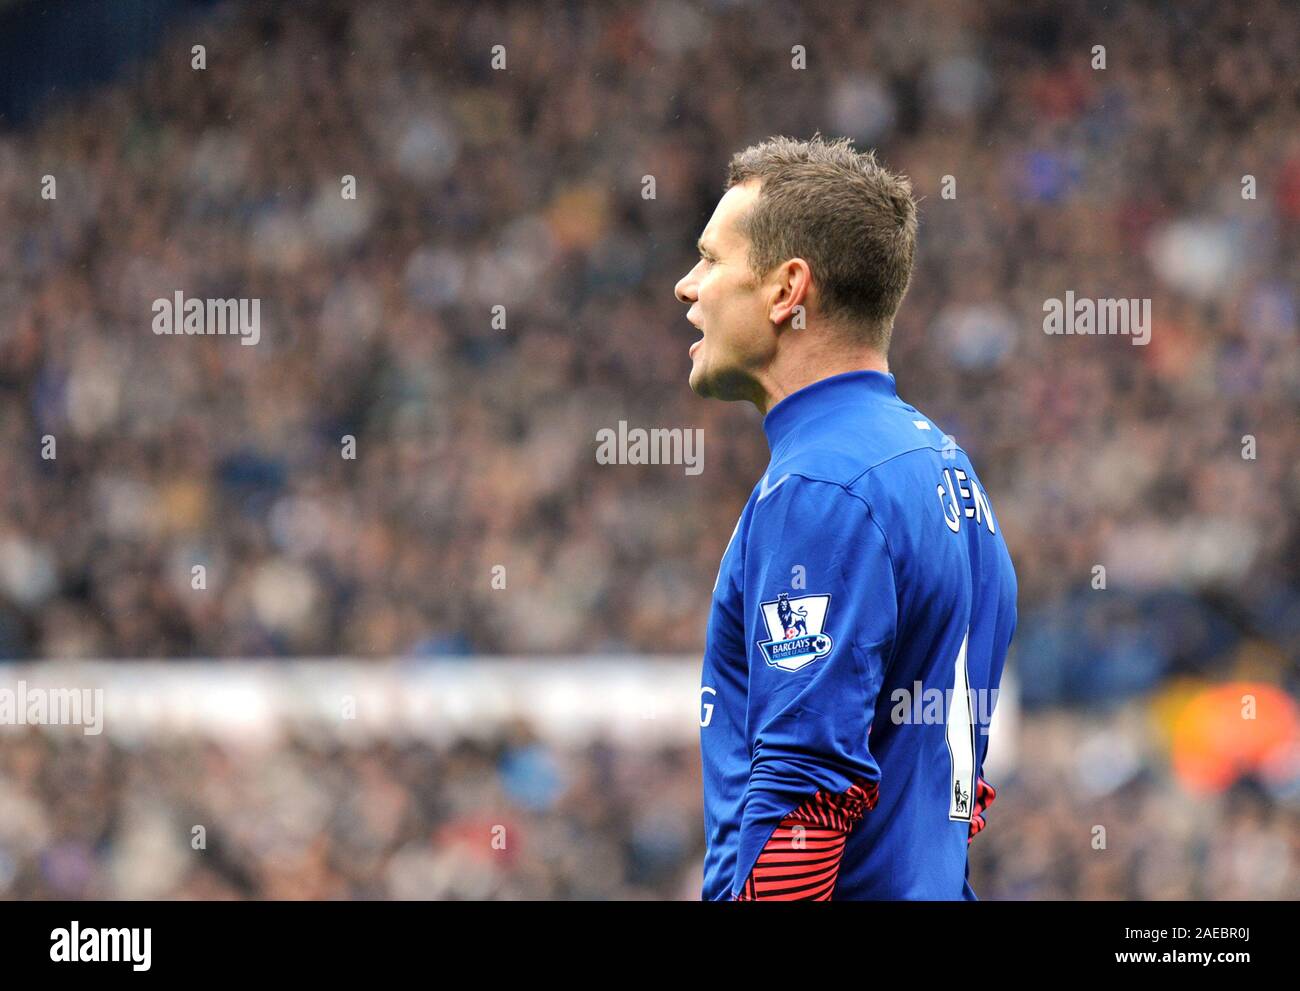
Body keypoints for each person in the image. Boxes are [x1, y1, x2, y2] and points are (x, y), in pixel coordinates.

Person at [675, 135, 1018, 900]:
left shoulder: (823, 488)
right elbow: (947, 799)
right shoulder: (950, 474)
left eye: (710, 259)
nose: (686, 286)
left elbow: (805, 797)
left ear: (786, 289)